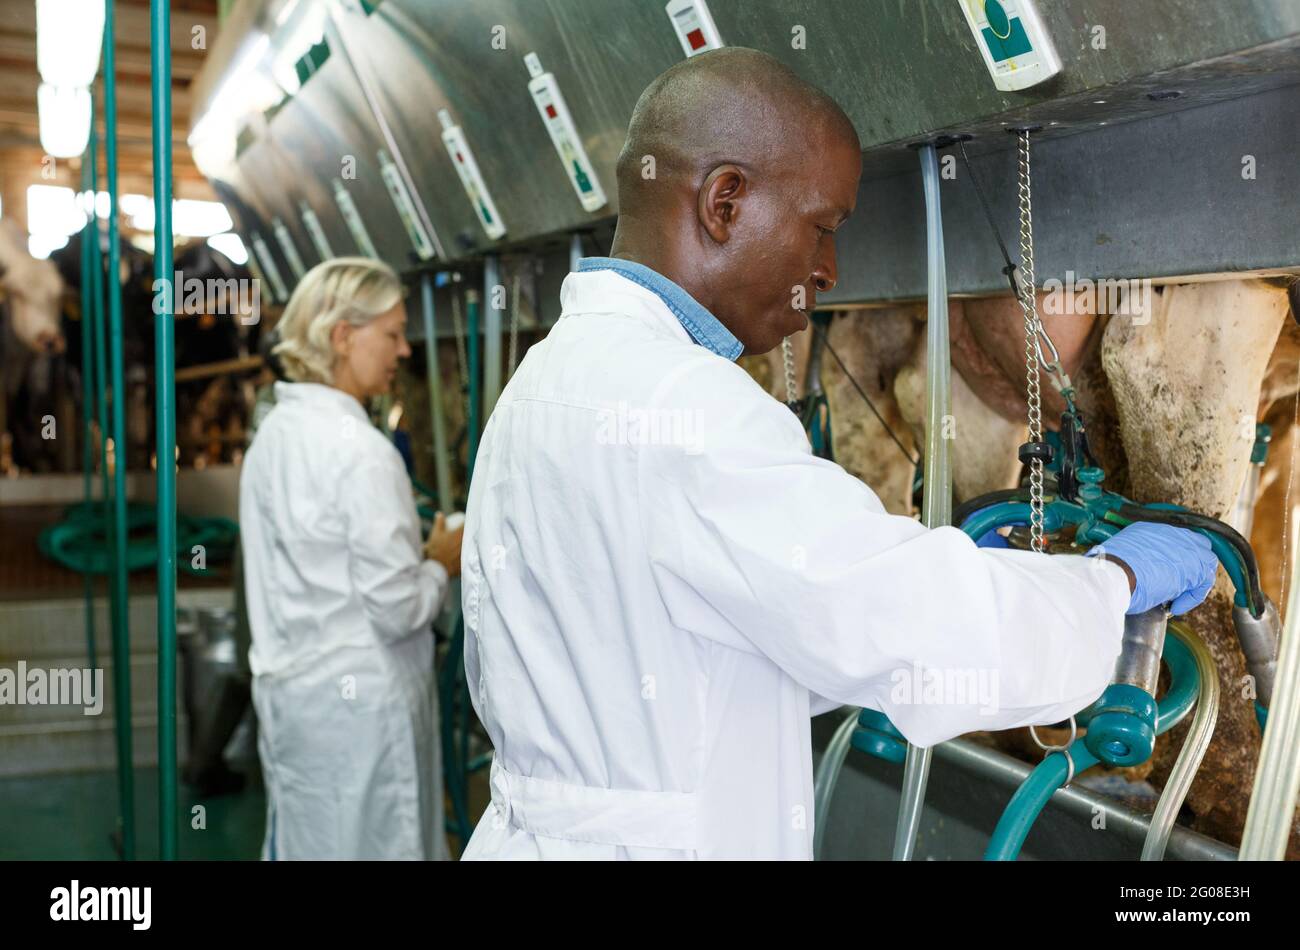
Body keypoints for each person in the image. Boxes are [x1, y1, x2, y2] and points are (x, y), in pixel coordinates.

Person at [459, 49, 1218, 860]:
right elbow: (892, 623)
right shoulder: (685, 407)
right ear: (725, 202)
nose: (827, 269)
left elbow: (734, 635)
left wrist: (970, 566)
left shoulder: (547, 378)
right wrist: (1113, 586)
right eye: (822, 227)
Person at [239, 257, 463, 860]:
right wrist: (441, 561)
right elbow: (397, 609)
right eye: (391, 333)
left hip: (295, 701)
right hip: (362, 709)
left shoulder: (273, 437)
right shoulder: (363, 453)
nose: (405, 350)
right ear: (343, 336)